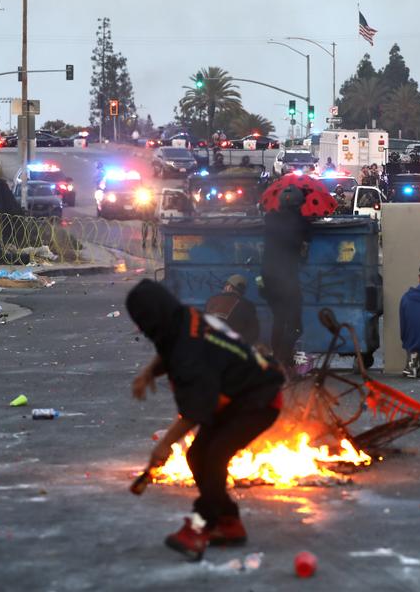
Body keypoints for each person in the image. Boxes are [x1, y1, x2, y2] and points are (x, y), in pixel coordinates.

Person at [127, 280, 284, 561]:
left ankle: (199, 527)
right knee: (198, 455)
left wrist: (164, 444)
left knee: (213, 457)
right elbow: (169, 348)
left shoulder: (189, 350)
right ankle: (229, 523)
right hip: (236, 396)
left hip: (258, 400)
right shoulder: (183, 319)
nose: (141, 328)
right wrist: (149, 372)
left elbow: (196, 409)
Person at [262, 186, 312, 370]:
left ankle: (278, 356)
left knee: (279, 319)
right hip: (287, 279)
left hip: (267, 278)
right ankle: (284, 358)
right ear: (299, 204)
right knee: (295, 324)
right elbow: (304, 254)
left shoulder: (270, 219)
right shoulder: (302, 224)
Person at [204, 274, 260, 345]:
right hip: (232, 348)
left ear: (229, 287)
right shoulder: (248, 305)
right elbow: (253, 333)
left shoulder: (211, 301)